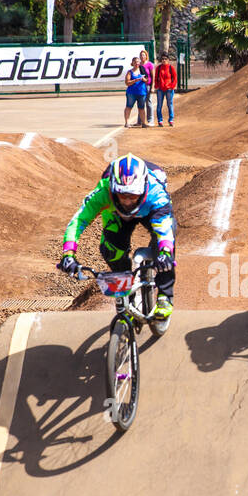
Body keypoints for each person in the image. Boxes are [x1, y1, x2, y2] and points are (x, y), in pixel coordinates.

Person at [57, 154, 177, 321]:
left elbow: (164, 231)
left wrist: (164, 252)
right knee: (111, 250)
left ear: (143, 188)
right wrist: (68, 255)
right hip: (117, 215)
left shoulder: (156, 195)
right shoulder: (103, 191)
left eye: (133, 196)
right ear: (113, 189)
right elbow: (78, 221)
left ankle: (165, 296)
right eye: (123, 195)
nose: (128, 201)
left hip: (150, 212)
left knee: (165, 249)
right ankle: (127, 295)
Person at [154, 53, 177, 127]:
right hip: (160, 89)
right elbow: (156, 78)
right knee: (159, 105)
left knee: (170, 104)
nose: (164, 60)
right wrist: (156, 86)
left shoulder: (171, 68)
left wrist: (172, 86)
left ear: (168, 60)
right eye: (162, 59)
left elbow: (175, 78)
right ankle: (160, 121)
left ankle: (171, 119)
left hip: (169, 89)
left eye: (165, 59)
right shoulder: (159, 68)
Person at [124, 57, 148, 127]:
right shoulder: (130, 72)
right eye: (135, 62)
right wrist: (134, 81)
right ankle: (127, 122)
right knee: (129, 107)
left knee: (141, 108)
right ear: (132, 63)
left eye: (138, 62)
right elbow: (127, 82)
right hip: (132, 93)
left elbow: (147, 80)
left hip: (141, 92)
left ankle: (143, 123)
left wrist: (144, 79)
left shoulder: (142, 70)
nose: (137, 63)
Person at [139, 49, 156, 125]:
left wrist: (152, 87)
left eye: (143, 55)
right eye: (141, 55)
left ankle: (150, 120)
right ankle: (140, 121)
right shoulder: (138, 65)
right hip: (140, 86)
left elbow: (153, 76)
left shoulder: (150, 64)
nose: (142, 56)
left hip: (148, 85)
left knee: (148, 103)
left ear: (146, 56)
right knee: (140, 103)